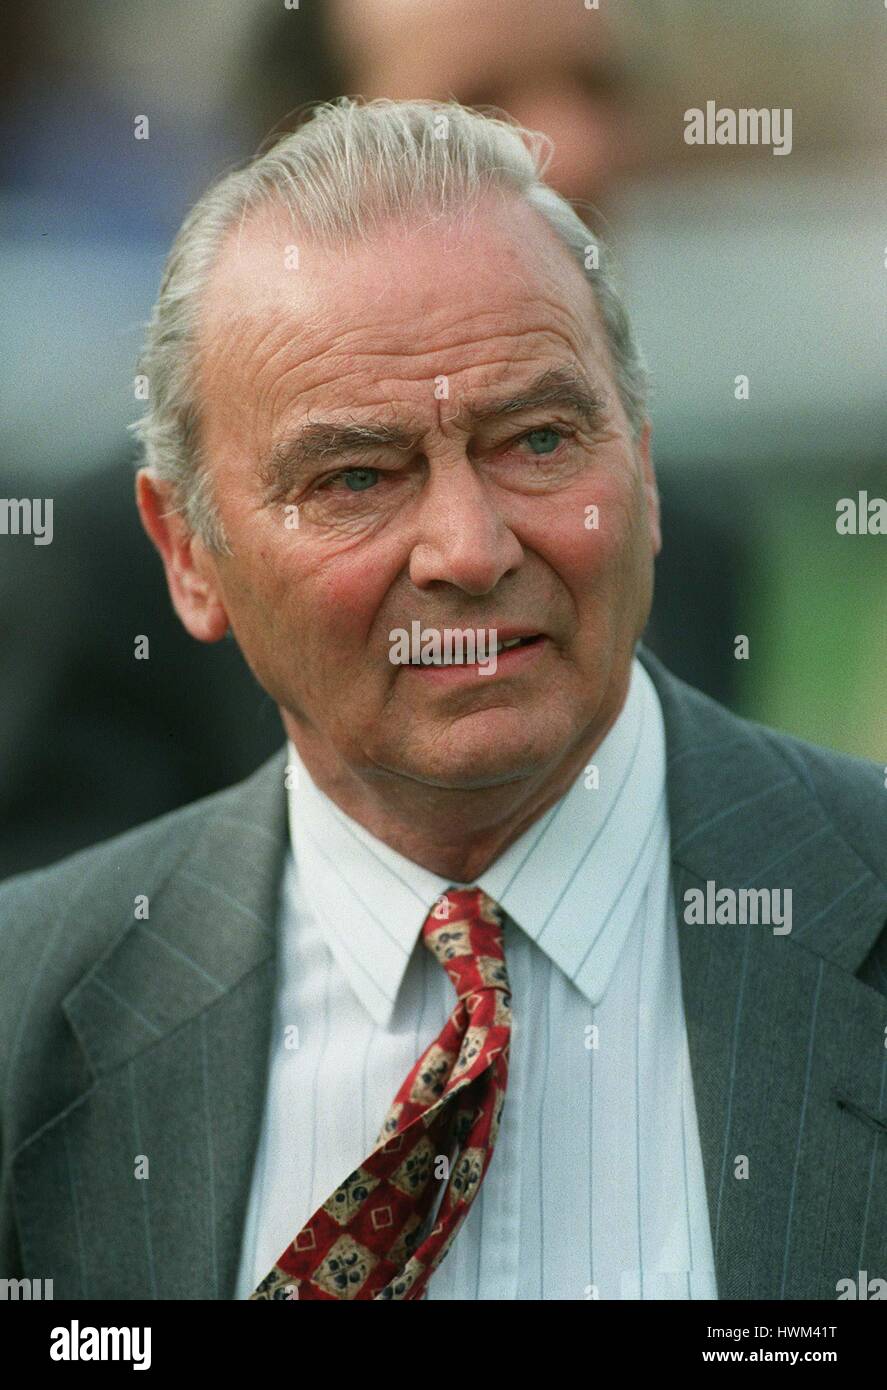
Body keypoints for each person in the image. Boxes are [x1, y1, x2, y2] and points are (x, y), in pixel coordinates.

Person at [1, 99, 883, 1301]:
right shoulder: (26, 1020)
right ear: (188, 556)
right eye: (356, 475)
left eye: (535, 440)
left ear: (642, 459)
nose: (468, 548)